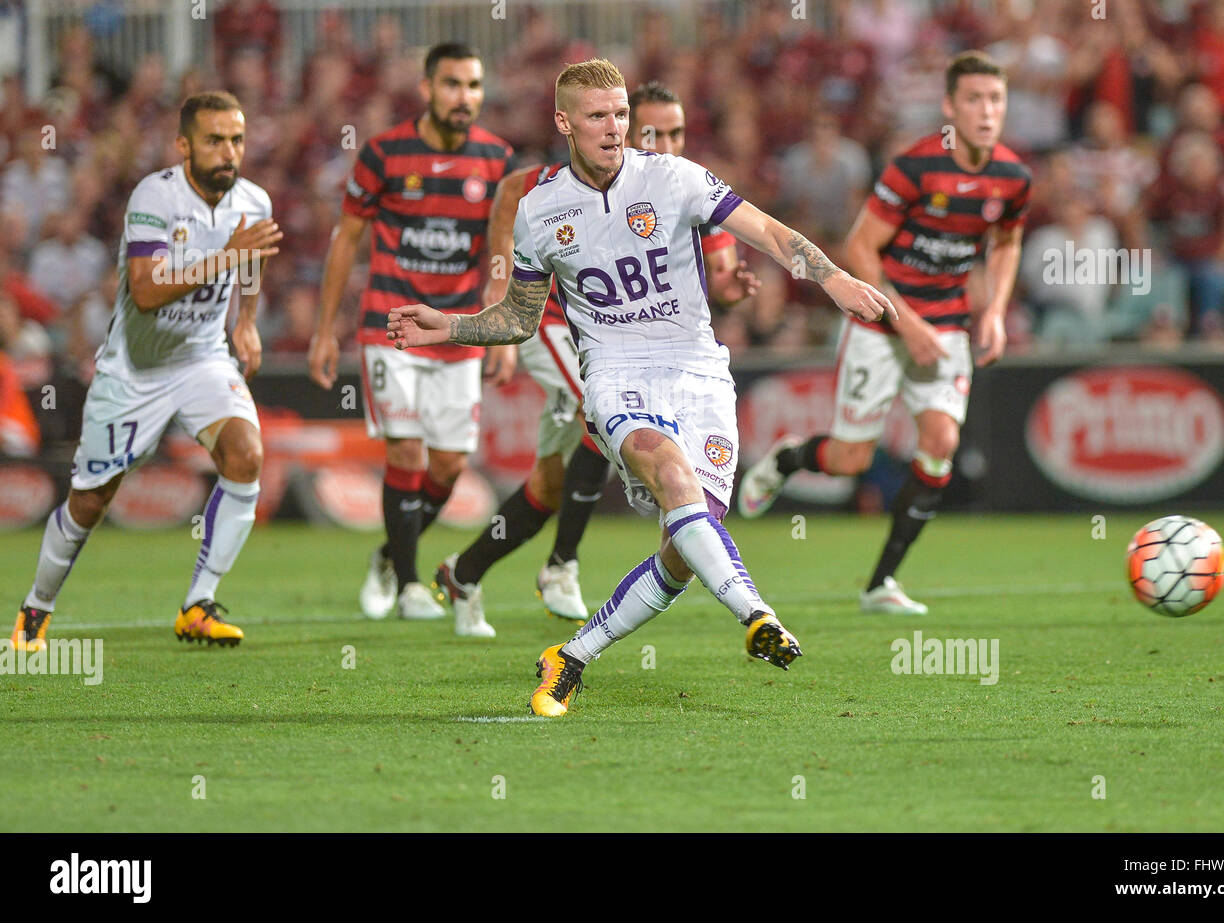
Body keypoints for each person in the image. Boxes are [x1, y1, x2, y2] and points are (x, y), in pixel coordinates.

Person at [387, 59, 895, 716]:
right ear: (564, 122)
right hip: (616, 374)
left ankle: (572, 655)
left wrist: (834, 278)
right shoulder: (539, 210)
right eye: (598, 116)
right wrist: (451, 326)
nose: (614, 128)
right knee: (673, 479)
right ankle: (757, 614)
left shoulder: (675, 178)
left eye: (622, 114)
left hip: (699, 371)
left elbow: (769, 232)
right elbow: (519, 318)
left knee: (683, 550)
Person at [433, 80, 760, 626]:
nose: (663, 143)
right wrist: (497, 282)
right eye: (653, 131)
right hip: (558, 326)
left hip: (645, 349)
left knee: (550, 480)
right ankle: (562, 563)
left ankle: (463, 572)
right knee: (604, 414)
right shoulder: (559, 186)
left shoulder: (681, 184)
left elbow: (722, 276)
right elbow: (510, 193)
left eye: (675, 132)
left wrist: (731, 290)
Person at [738, 51, 1031, 615]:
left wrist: (994, 311)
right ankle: (788, 460)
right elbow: (858, 249)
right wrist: (907, 322)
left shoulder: (1013, 177)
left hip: (947, 327)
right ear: (950, 107)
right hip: (881, 322)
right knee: (850, 460)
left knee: (941, 443)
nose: (986, 110)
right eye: (973, 99)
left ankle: (881, 583)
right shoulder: (915, 168)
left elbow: (1007, 242)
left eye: (995, 99)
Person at [12, 91, 280, 652]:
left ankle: (198, 605)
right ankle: (36, 607)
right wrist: (227, 256)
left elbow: (252, 263)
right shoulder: (155, 196)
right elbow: (147, 290)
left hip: (203, 358)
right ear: (184, 145)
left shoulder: (254, 201)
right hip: (136, 370)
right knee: (92, 499)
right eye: (214, 140)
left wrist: (247, 322)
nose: (228, 152)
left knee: (247, 455)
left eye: (236, 140)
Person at [308, 43, 518, 635]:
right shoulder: (383, 154)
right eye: (452, 84)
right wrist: (324, 330)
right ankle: (407, 585)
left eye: (473, 85)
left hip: (458, 330)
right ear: (426, 89)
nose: (464, 97)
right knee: (405, 452)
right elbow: (346, 240)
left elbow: (503, 250)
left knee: (448, 467)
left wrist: (504, 331)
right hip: (392, 325)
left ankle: (387, 555)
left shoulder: (497, 159)